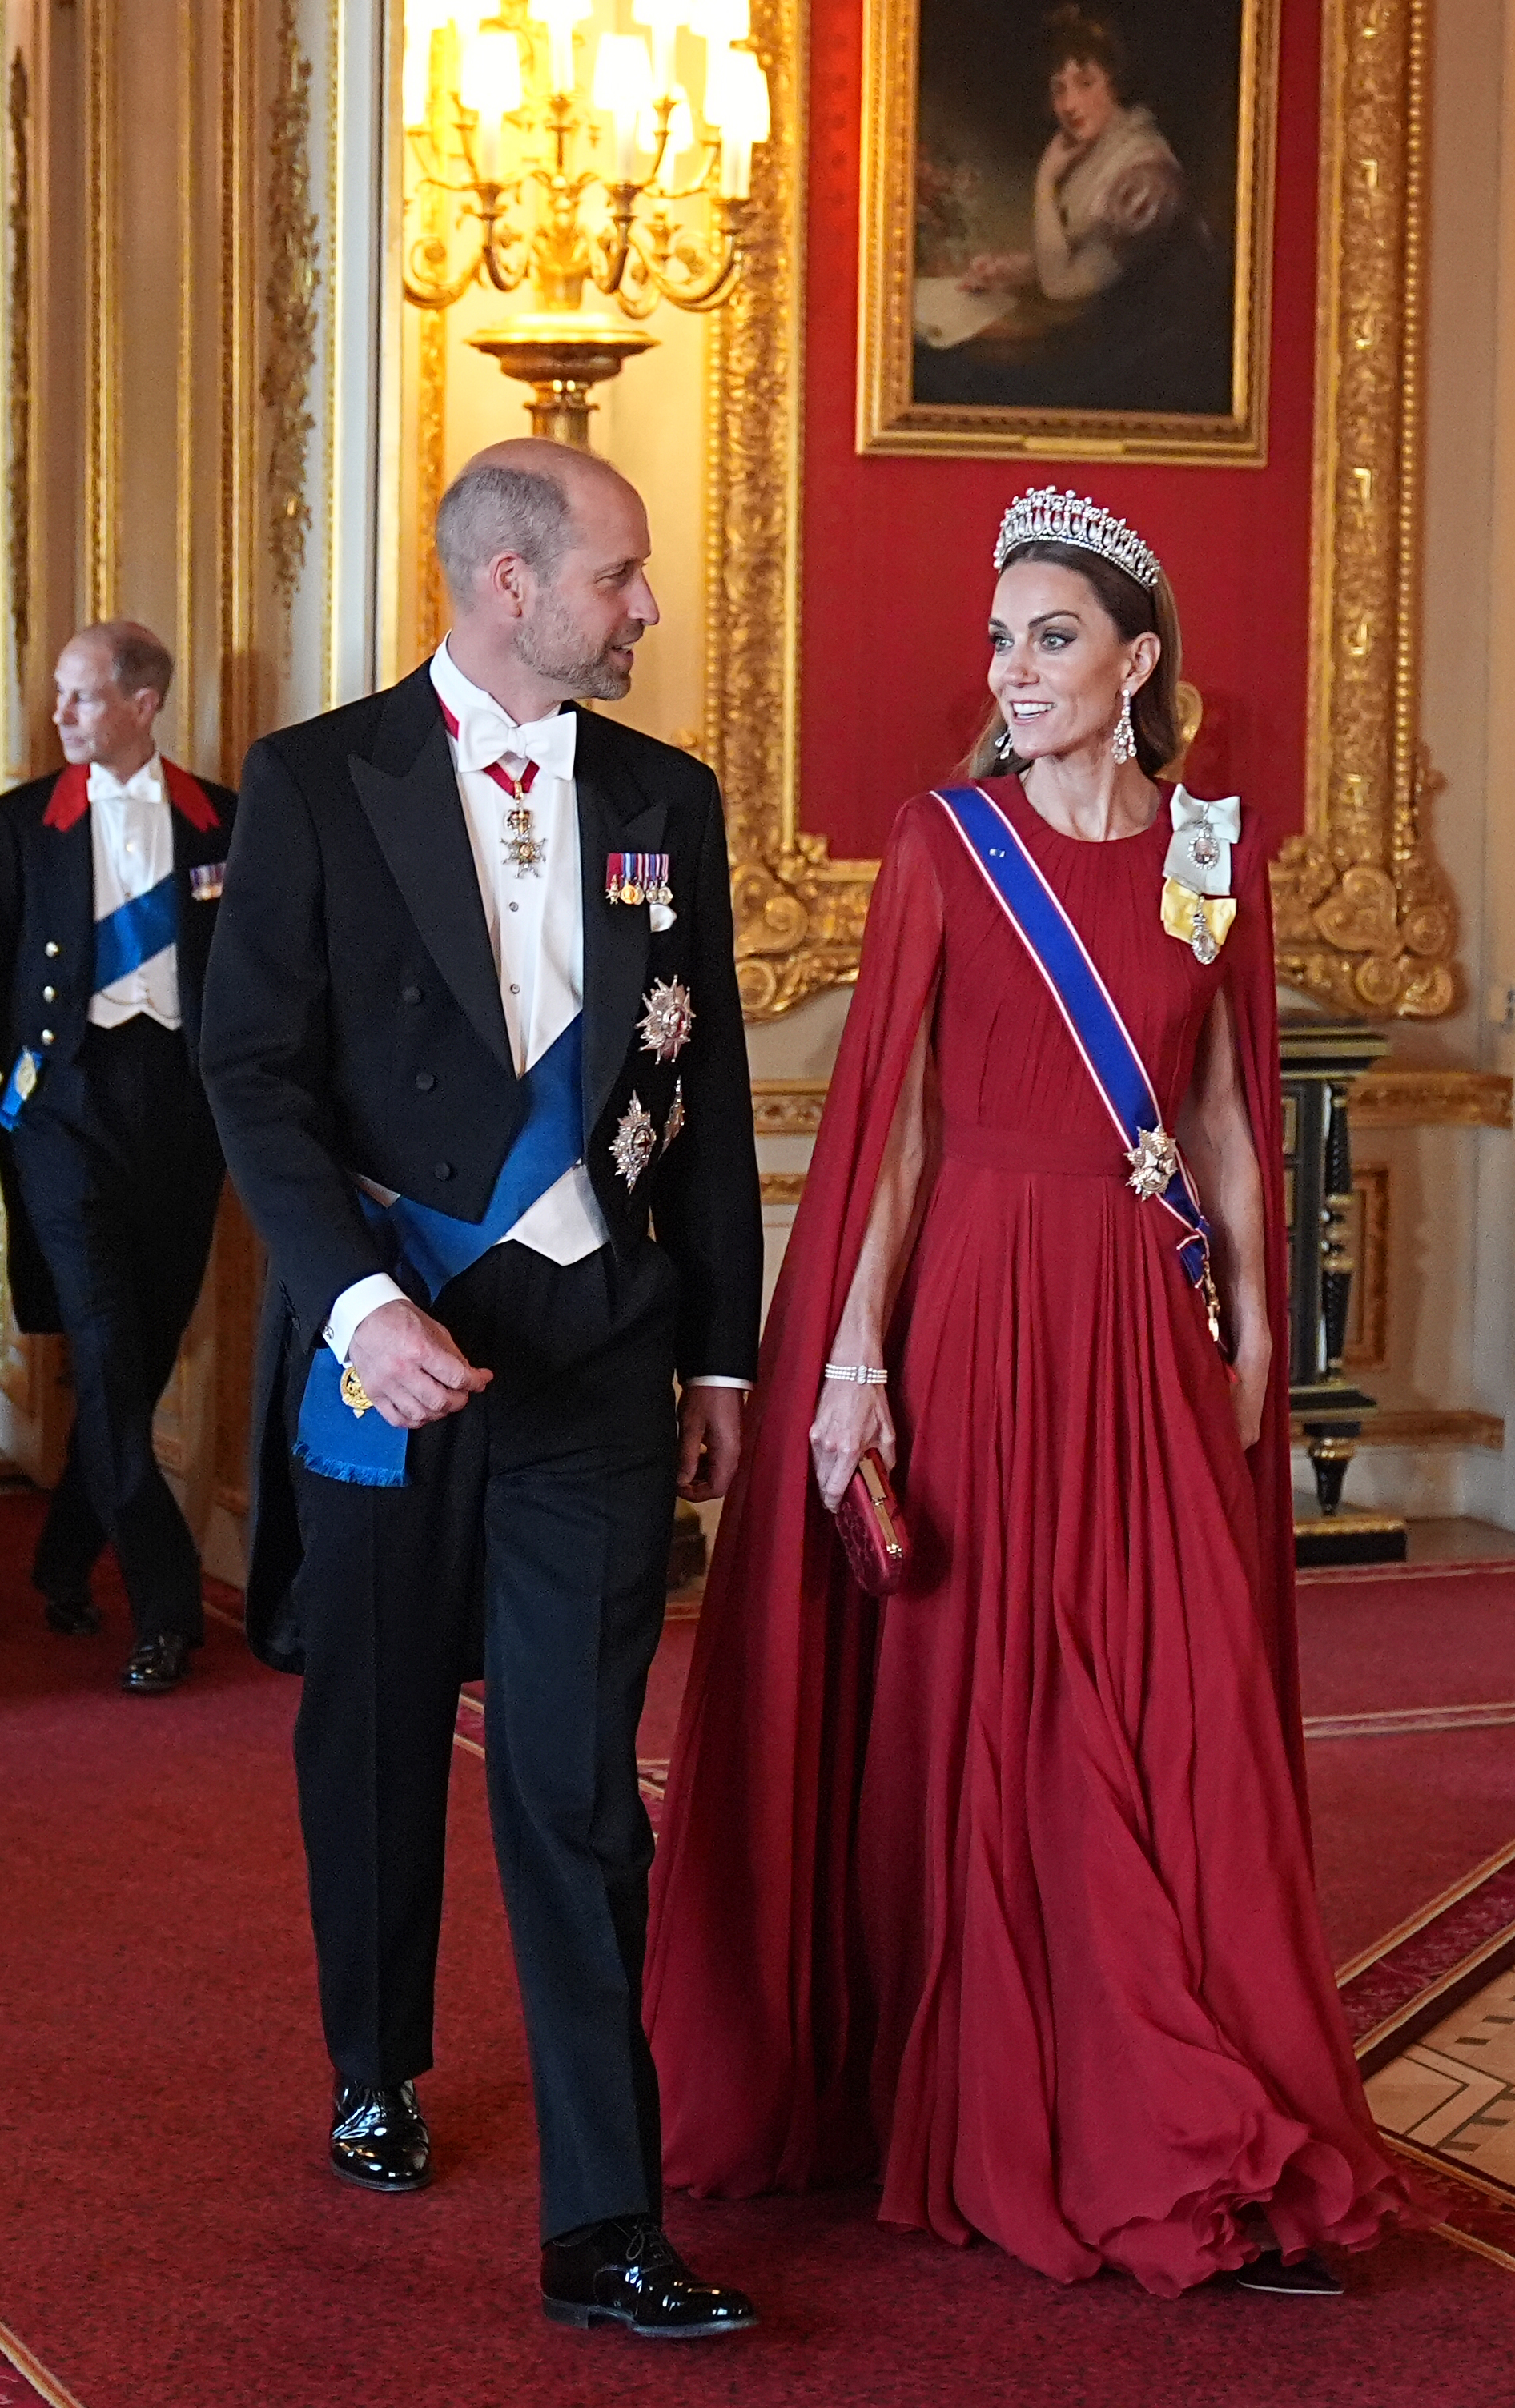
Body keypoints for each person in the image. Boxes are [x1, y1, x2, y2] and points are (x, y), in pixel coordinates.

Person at [644, 488, 1424, 2298]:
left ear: (1136, 660)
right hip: (978, 1308)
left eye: (1050, 635)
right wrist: (850, 1358)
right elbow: (899, 1113)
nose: (1013, 668)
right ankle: (1080, 2121)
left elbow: (1223, 1106)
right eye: (998, 639)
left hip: (1140, 1316)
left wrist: (1248, 1330)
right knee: (1018, 1711)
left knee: (1180, 1710)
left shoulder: (1209, 850)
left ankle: (1203, 2089)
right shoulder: (946, 842)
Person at [200, 439, 762, 2340]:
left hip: (594, 1363)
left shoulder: (661, 796)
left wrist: (716, 1352)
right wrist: (355, 1302)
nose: (646, 608)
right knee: (367, 1735)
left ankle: (605, 2213)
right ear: (510, 584)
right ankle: (376, 2059)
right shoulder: (314, 781)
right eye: (621, 576)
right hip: (389, 1357)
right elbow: (253, 1071)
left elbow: (708, 1106)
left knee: (576, 1785)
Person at [0, 622, 234, 1693]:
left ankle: (61, 1555)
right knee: (102, 1345)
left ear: (143, 703)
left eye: (83, 698)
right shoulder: (21, 828)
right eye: (61, 695)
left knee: (132, 1361)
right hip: (65, 1114)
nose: (61, 716)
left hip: (181, 1118)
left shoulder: (224, 823)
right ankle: (167, 1610)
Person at [919, 6, 1230, 415]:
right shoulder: (1100, 151)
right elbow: (1079, 251)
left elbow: (1063, 285)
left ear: (1116, 86)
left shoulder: (1146, 179)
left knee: (977, 381)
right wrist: (1011, 268)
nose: (1069, 104)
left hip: (1154, 362)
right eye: (1059, 88)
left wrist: (1045, 181)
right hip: (1108, 336)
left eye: (1085, 84)